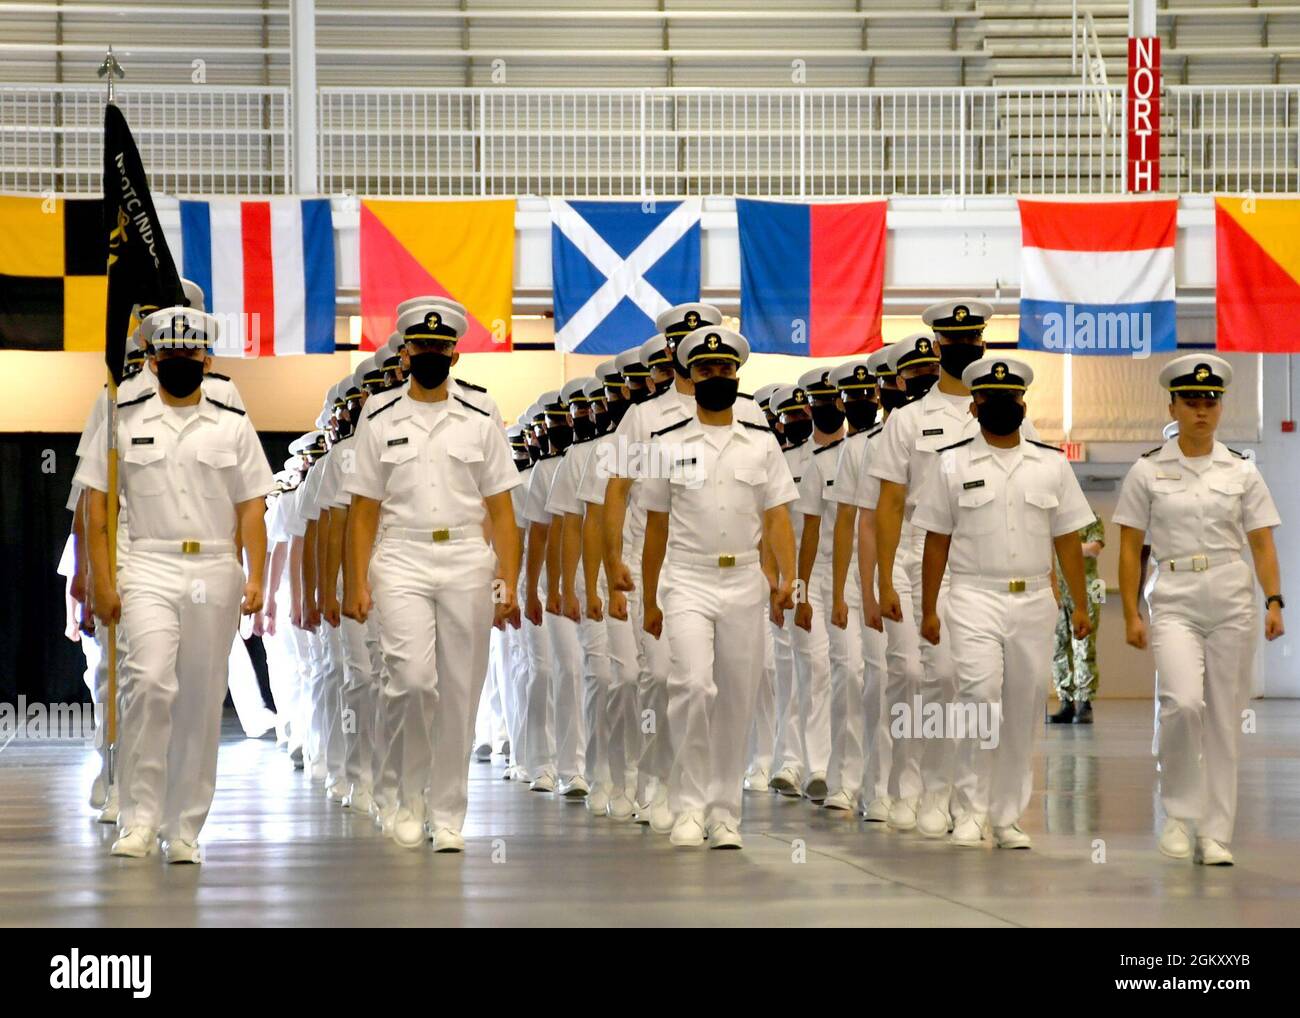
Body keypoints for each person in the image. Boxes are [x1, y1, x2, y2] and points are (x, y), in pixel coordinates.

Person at [77, 307, 272, 863]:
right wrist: (100, 581)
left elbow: (252, 506)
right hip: (148, 563)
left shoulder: (231, 422)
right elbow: (96, 505)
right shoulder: (123, 414)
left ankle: (184, 826)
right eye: (169, 357)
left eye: (190, 356)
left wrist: (256, 575)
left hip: (214, 565)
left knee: (202, 697)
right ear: (154, 359)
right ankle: (138, 818)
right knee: (150, 684)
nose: (179, 364)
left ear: (206, 360)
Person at [342, 303, 520, 852]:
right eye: (421, 348)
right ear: (405, 353)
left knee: (460, 691)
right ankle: (402, 796)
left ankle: (446, 814)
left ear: (455, 353)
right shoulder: (377, 414)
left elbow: (502, 508)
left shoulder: (481, 412)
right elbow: (363, 509)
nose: (431, 356)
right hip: (399, 557)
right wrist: (355, 582)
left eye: (441, 349)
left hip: (468, 556)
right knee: (412, 682)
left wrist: (508, 580)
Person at [872, 303, 1040, 840]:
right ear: (939, 345)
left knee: (973, 688)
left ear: (983, 346)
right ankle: (913, 786)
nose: (965, 346)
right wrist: (882, 578)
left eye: (974, 338)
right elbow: (890, 504)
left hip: (979, 562)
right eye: (955, 338)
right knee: (927, 678)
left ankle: (964, 796)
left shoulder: (1008, 411)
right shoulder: (908, 420)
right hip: (918, 558)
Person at [913, 356, 1094, 850]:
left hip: (1034, 599)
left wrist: (1080, 605)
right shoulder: (951, 463)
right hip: (973, 597)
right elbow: (936, 542)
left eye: (1009, 398)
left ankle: (1007, 815)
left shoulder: (1051, 464)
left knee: (1023, 705)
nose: (1000, 405)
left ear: (1022, 404)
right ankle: (969, 809)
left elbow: (1068, 540)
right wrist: (929, 609)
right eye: (990, 399)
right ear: (974, 406)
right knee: (979, 698)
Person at [1114, 353, 1284, 866]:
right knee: (1184, 704)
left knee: (1225, 718)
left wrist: (1274, 600)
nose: (1202, 410)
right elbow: (1128, 548)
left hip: (1231, 595)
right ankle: (1181, 817)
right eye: (1191, 401)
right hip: (1174, 596)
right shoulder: (1148, 470)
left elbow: (1261, 543)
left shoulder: (1241, 470)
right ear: (1173, 405)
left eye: (1210, 401)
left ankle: (1216, 833)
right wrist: (1130, 613)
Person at [640, 326, 798, 849]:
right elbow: (656, 525)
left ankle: (724, 811)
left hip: (745, 580)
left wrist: (786, 579)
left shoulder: (761, 442)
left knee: (736, 696)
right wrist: (647, 596)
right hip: (686, 578)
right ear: (689, 374)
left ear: (737, 375)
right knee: (690, 686)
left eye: (725, 370)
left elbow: (777, 517)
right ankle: (687, 806)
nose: (717, 377)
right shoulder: (667, 443)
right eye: (705, 370)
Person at [1048, 513, 1105, 725]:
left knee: (1083, 647)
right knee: (1059, 648)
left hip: (1086, 590)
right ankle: (1066, 701)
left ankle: (1084, 702)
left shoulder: (1090, 516)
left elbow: (1094, 548)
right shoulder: (1053, 517)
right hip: (1058, 591)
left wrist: (1065, 547)